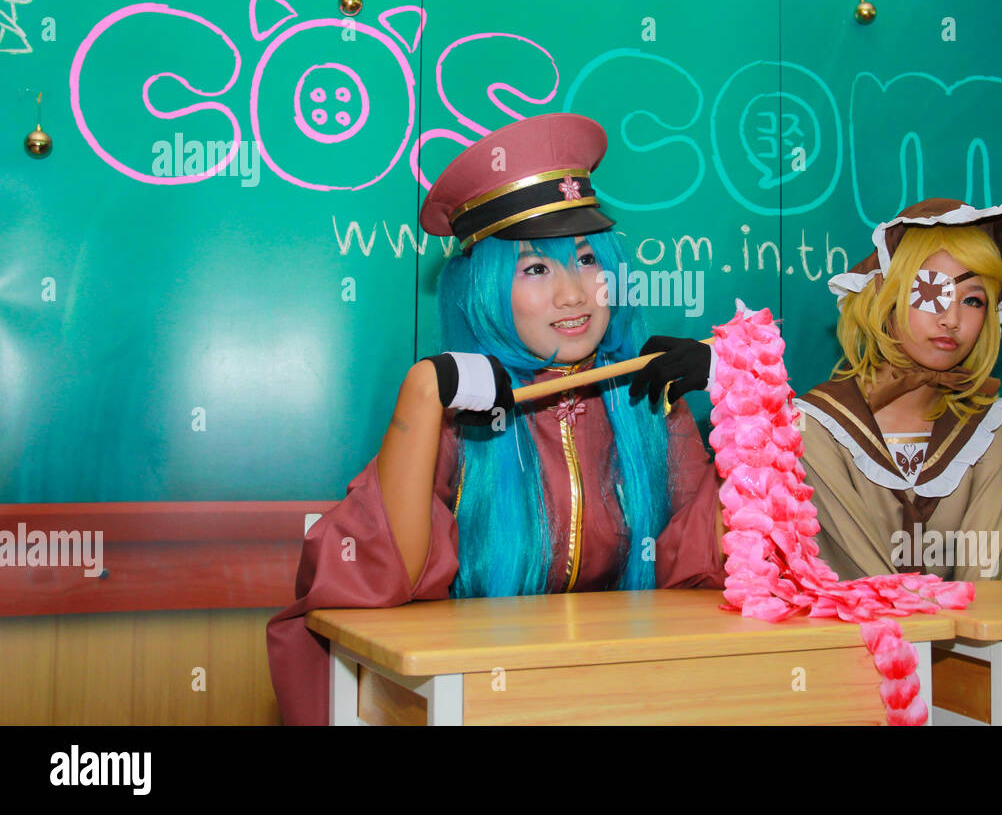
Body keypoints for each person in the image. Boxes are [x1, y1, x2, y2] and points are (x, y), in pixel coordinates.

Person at [266, 113, 725, 726]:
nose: (574, 294)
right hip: (473, 702)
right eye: (536, 268)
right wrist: (424, 395)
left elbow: (714, 568)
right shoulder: (463, 415)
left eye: (588, 260)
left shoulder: (650, 400)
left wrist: (746, 397)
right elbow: (375, 577)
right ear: (484, 289)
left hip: (628, 700)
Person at [795, 194, 1002, 583]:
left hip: (967, 640)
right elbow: (861, 574)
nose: (952, 318)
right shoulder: (815, 424)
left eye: (973, 300)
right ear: (886, 298)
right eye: (930, 292)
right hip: (849, 637)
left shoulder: (987, 426)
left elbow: (983, 573)